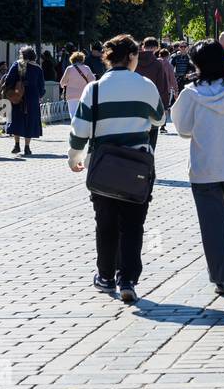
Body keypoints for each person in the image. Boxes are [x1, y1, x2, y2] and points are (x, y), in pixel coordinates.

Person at [68, 34, 164, 303]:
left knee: (106, 222)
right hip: (137, 165)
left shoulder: (95, 89)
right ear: (132, 57)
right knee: (133, 225)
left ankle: (106, 275)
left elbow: (80, 130)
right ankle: (128, 279)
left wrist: (74, 157)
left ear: (107, 58)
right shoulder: (146, 85)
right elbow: (159, 118)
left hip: (104, 165)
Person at [171, 40, 224, 295]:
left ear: (197, 64)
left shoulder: (190, 93)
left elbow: (183, 129)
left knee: (211, 225)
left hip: (204, 166)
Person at [3, 47, 45, 156]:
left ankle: (17, 144)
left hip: (18, 96)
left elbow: (8, 80)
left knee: (17, 119)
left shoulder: (17, 65)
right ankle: (27, 147)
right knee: (30, 121)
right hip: (32, 98)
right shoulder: (37, 68)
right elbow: (41, 87)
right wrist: (39, 95)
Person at [135, 37, 172, 149]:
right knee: (151, 140)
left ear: (143, 47)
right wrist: (164, 106)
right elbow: (162, 87)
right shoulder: (157, 64)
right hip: (152, 105)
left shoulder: (133, 62)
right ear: (156, 48)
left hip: (135, 106)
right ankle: (149, 161)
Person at [60, 51, 95, 126]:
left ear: (72, 59)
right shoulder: (86, 68)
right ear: (82, 59)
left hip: (71, 96)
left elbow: (62, 83)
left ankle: (75, 130)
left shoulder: (69, 69)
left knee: (73, 114)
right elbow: (92, 81)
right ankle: (82, 129)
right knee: (83, 114)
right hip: (84, 95)